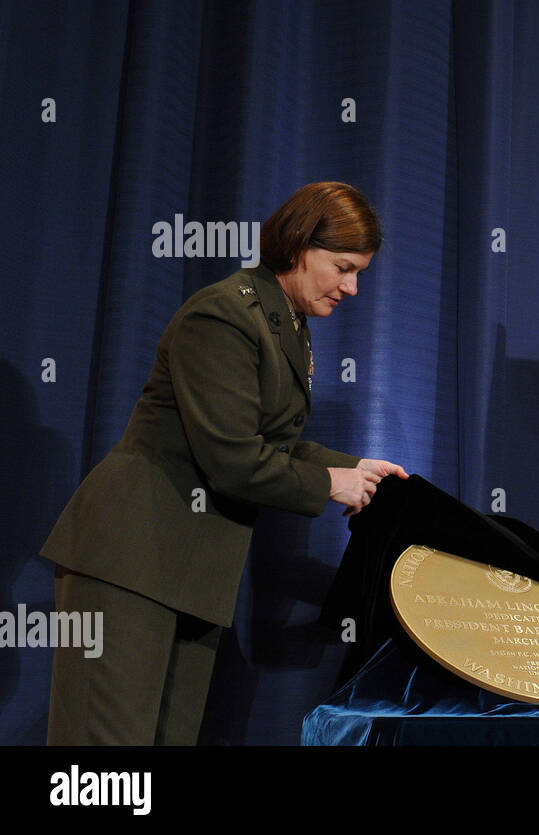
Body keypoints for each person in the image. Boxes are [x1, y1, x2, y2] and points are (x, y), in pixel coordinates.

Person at [42, 181, 409, 745]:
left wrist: (358, 469)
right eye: (343, 267)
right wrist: (329, 483)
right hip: (130, 560)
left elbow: (272, 444)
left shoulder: (285, 322)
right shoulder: (223, 315)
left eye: (359, 272)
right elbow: (232, 458)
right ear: (297, 246)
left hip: (191, 572)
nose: (352, 287)